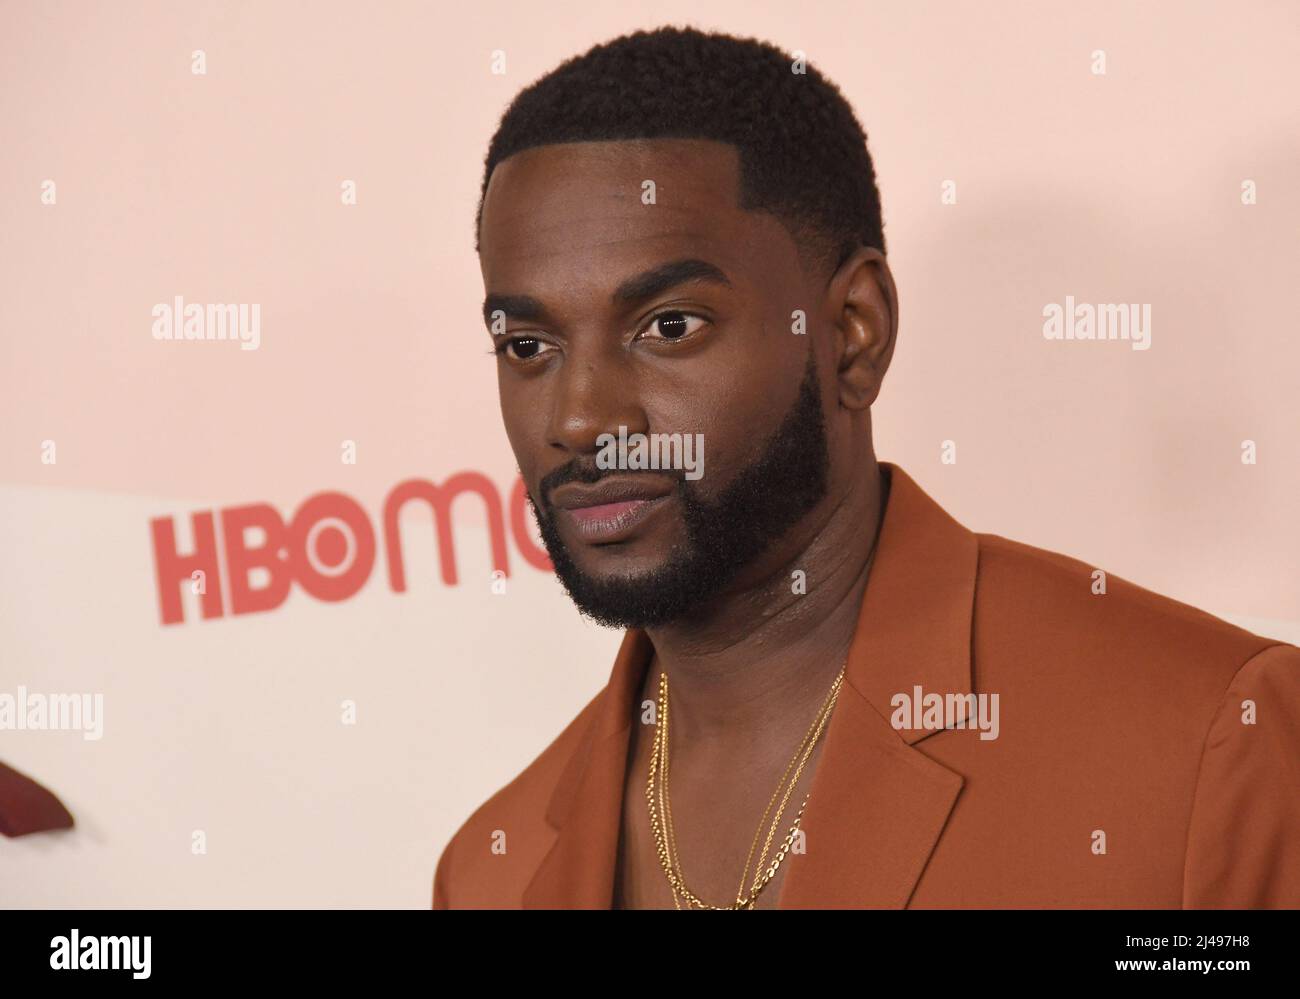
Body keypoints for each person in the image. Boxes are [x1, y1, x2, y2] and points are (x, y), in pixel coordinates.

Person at [433, 25, 1300, 909]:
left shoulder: (1207, 745)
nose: (581, 418)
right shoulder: (490, 873)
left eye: (668, 327)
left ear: (853, 332)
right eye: (529, 344)